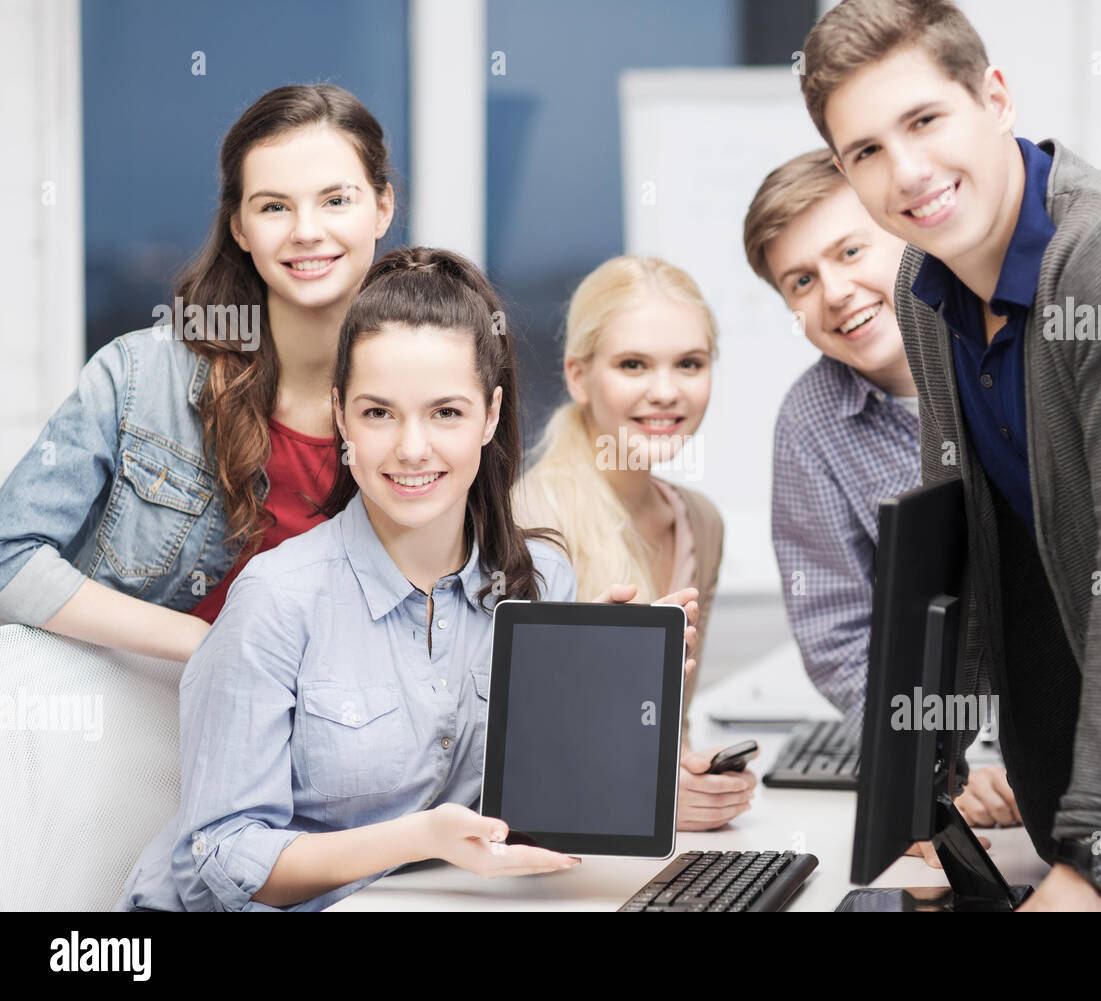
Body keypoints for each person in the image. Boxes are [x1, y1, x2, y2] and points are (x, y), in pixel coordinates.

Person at [801, 0, 1101, 911]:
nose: (906, 172)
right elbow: (959, 553)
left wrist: (1097, 853)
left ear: (994, 97)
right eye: (866, 151)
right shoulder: (926, 285)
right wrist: (926, 776)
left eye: (923, 120)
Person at [116, 248, 700, 911]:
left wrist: (605, 703)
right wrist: (419, 837)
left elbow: (534, 822)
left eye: (446, 412)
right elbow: (221, 859)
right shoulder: (277, 599)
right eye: (378, 412)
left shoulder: (540, 581)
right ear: (340, 416)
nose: (412, 447)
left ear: (489, 415)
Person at [0, 84, 396, 662]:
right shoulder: (138, 377)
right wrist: (217, 646)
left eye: (336, 200)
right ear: (239, 227)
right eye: (274, 206)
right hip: (143, 728)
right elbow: (10, 560)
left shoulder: (423, 403)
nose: (306, 230)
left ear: (382, 207)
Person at [743, 149, 1020, 859]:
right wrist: (938, 767)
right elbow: (841, 636)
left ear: (904, 233)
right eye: (800, 280)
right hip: (965, 770)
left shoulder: (1012, 347)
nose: (834, 291)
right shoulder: (809, 424)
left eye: (850, 250)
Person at [514, 255, 751, 833]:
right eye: (633, 365)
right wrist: (643, 791)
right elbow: (513, 748)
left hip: (651, 849)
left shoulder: (702, 523)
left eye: (689, 364)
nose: (665, 392)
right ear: (578, 376)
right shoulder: (527, 521)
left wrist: (690, 774)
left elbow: (672, 721)